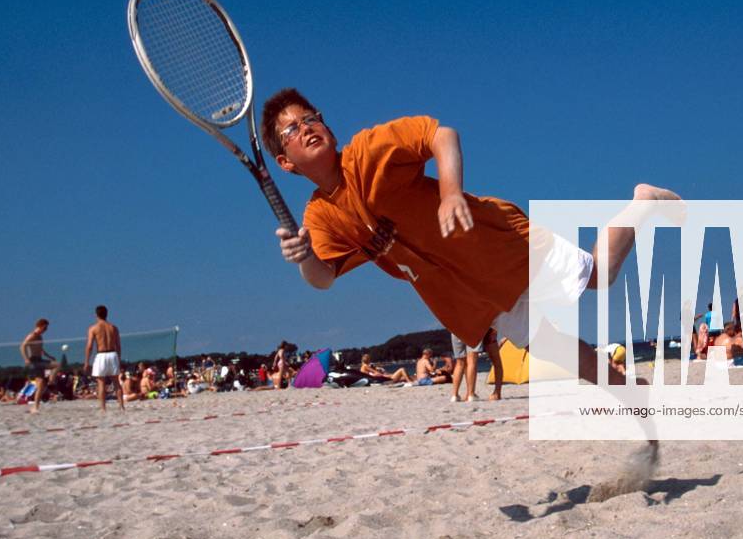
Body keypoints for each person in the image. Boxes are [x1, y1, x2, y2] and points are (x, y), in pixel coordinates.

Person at [268, 90, 677, 450]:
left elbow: (441, 135)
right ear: (285, 162)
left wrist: (449, 194)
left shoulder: (367, 152)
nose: (306, 127)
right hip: (467, 292)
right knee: (550, 346)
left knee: (600, 275)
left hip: (496, 244)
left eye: (311, 117)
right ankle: (628, 392)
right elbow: (323, 277)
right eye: (292, 129)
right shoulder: (320, 216)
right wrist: (303, 256)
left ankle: (643, 201)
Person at [83, 305, 125, 412]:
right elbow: (118, 345)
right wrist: (118, 359)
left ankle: (103, 408)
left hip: (101, 354)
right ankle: (121, 406)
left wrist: (87, 361)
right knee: (116, 382)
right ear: (107, 314)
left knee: (101, 382)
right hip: (112, 354)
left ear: (96, 315)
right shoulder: (113, 328)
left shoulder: (93, 328)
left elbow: (89, 346)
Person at [450, 329, 502, 402]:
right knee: (472, 361)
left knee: (459, 363)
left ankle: (455, 395)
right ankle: (471, 394)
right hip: (476, 327)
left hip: (457, 328)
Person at [20, 318, 59, 414]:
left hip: (40, 360)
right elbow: (22, 346)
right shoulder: (32, 335)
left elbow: (41, 349)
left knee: (41, 384)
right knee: (55, 367)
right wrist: (26, 358)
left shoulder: (40, 337)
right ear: (40, 326)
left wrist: (49, 356)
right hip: (34, 361)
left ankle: (35, 407)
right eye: (45, 328)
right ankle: (51, 381)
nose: (46, 330)